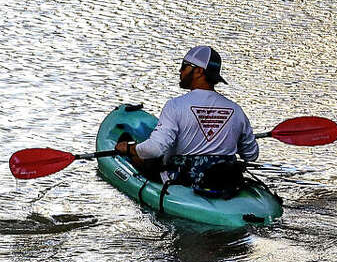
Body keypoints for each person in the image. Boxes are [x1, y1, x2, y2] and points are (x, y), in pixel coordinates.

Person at [111, 46, 259, 195]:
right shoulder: (236, 110)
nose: (180, 71)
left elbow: (154, 149)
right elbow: (252, 154)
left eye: (184, 66)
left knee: (138, 151)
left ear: (199, 71)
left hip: (183, 178)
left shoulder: (175, 105)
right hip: (224, 179)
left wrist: (131, 149)